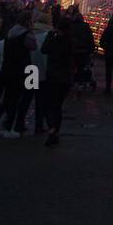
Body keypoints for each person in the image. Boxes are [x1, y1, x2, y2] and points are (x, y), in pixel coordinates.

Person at [0, 13, 33, 137]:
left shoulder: (10, 34)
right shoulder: (26, 35)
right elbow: (33, 47)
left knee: (7, 99)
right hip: (25, 71)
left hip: (8, 70)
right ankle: (8, 128)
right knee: (16, 99)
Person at [40, 16, 73, 146]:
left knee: (48, 104)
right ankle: (55, 131)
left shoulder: (54, 40)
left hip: (53, 76)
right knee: (58, 105)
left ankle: (52, 128)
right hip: (65, 78)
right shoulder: (70, 41)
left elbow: (44, 50)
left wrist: (50, 36)